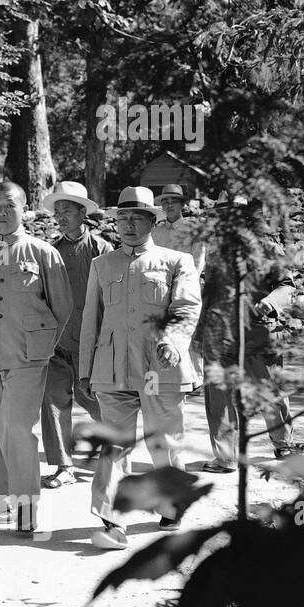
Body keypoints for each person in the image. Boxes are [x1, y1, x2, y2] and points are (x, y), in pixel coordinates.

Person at [78, 186, 202, 549]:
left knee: (163, 442)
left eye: (137, 218)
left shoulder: (177, 261)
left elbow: (186, 309)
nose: (129, 225)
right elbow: (91, 319)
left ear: (152, 221)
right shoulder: (102, 264)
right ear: (115, 222)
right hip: (113, 368)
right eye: (123, 218)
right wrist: (87, 369)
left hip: (157, 368)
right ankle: (111, 521)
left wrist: (174, 343)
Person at [0, 181, 72, 535]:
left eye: (9, 206)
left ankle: (25, 508)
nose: (2, 214)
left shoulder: (43, 253)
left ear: (25, 210)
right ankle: (3, 502)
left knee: (17, 427)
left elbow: (62, 307)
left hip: (27, 356)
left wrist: (42, 343)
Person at [196, 194, 295, 473]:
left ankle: (282, 442)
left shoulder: (267, 248)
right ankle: (225, 456)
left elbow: (287, 286)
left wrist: (270, 302)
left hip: (257, 333)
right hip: (219, 333)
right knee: (218, 395)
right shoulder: (215, 251)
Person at [38, 180, 113, 490]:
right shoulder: (50, 251)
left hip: (90, 343)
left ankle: (114, 452)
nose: (61, 217)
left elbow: (111, 298)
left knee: (96, 401)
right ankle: (62, 465)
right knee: (53, 403)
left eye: (67, 210)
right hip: (57, 342)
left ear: (83, 213)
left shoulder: (101, 249)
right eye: (58, 212)